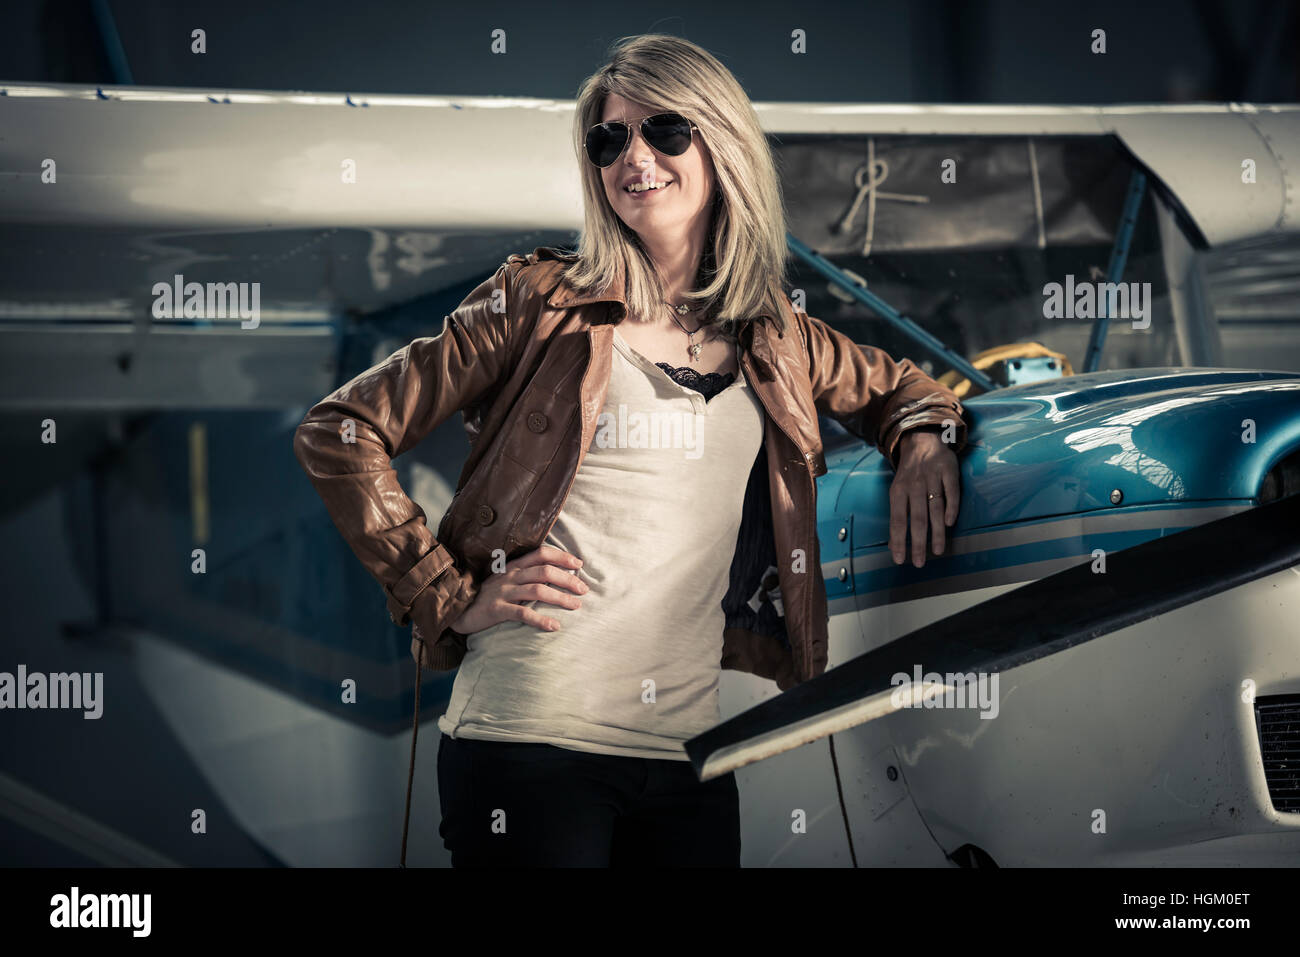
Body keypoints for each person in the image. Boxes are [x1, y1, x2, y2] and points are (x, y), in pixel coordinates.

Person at [293, 34, 967, 868]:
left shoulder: (775, 334)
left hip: (689, 751)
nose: (633, 157)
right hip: (529, 741)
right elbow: (340, 430)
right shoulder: (536, 301)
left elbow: (902, 387)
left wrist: (927, 439)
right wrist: (446, 595)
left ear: (722, 143)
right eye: (609, 140)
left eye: (664, 131)